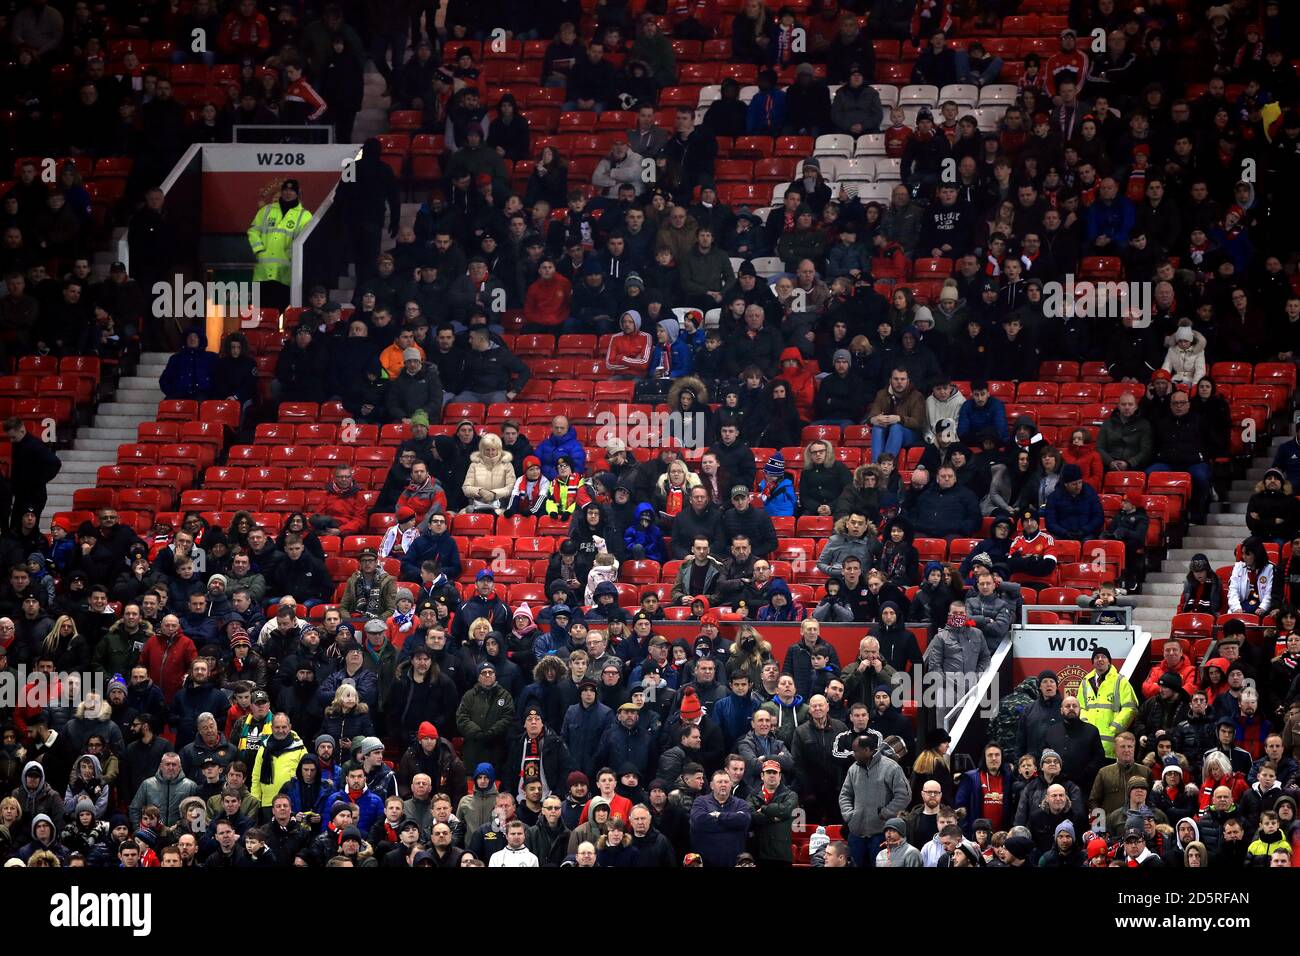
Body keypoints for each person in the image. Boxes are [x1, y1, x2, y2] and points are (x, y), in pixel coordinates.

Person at [838, 730, 910, 867]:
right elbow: (845, 794)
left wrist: (885, 813)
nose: (853, 754)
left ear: (867, 750)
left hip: (881, 833)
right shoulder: (853, 769)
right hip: (856, 834)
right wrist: (849, 815)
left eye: (856, 751)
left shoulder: (891, 768)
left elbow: (904, 796)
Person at [246, 179, 312, 310]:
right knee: (260, 312)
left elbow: (306, 242)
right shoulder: (266, 210)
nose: (288, 193)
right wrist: (259, 250)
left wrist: (292, 256)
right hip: (263, 272)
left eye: (292, 190)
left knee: (279, 311)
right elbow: (253, 231)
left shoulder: (305, 216)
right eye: (285, 190)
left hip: (285, 274)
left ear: (298, 193)